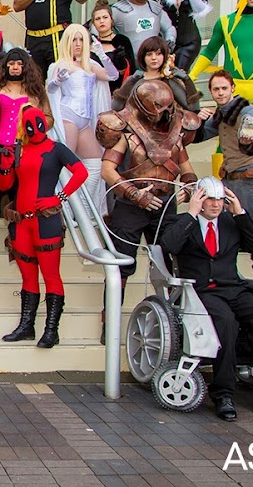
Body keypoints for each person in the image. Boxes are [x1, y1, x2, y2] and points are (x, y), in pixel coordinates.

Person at [158, 177, 253, 421]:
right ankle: (223, 393)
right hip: (203, 290)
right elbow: (169, 245)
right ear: (199, 198)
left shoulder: (230, 221)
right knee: (226, 323)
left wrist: (240, 212)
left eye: (219, 199)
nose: (215, 205)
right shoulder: (182, 221)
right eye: (209, 199)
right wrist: (192, 214)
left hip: (233, 286)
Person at [97, 79, 199, 340]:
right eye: (159, 108)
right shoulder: (126, 129)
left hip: (165, 205)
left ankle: (173, 324)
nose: (164, 114)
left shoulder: (176, 131)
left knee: (169, 265)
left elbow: (187, 171)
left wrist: (188, 186)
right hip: (131, 206)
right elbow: (108, 170)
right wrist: (133, 194)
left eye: (167, 108)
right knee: (121, 266)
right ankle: (110, 322)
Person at [1, 106, 88, 348]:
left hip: (45, 220)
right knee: (28, 277)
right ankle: (26, 326)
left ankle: (51, 331)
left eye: (37, 123)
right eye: (28, 124)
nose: (34, 128)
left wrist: (58, 197)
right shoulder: (19, 150)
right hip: (21, 222)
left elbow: (81, 172)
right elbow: (5, 183)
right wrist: (7, 164)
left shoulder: (56, 149)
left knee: (50, 276)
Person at [193, 70, 253, 297]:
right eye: (215, 89)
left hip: (250, 182)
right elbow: (200, 135)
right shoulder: (221, 114)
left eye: (224, 88)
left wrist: (249, 133)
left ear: (232, 88)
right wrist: (196, 117)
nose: (220, 92)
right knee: (227, 234)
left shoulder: (246, 110)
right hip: (230, 181)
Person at [0, 48, 53, 252]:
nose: (15, 67)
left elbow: (48, 118)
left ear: (26, 67)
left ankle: (20, 241)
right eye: (11, 64)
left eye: (19, 64)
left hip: (24, 151)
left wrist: (35, 127)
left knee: (22, 193)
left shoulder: (36, 91)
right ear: (5, 66)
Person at [46, 24, 116, 217]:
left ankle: (83, 210)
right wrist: (57, 81)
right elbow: (51, 90)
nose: (78, 44)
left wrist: (102, 53)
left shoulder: (89, 65)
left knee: (95, 164)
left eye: (81, 39)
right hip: (68, 117)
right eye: (74, 40)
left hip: (85, 121)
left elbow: (113, 75)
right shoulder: (60, 65)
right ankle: (66, 212)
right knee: (66, 166)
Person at [152, 0, 211, 72]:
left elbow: (202, 9)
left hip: (189, 40)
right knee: (165, 74)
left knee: (179, 72)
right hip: (167, 41)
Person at [112, 37, 201, 113]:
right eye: (149, 54)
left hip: (164, 130)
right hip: (136, 128)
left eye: (158, 54)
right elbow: (116, 107)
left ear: (164, 56)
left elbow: (193, 108)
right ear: (143, 57)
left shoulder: (169, 80)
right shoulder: (134, 80)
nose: (154, 58)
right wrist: (130, 82)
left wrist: (186, 79)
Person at [110, 0, 176, 61]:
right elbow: (97, 29)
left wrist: (170, 40)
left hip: (153, 64)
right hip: (129, 64)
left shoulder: (156, 9)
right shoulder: (118, 9)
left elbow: (169, 28)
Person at [88, 0, 136, 93]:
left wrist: (122, 64)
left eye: (105, 17)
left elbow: (131, 71)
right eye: (98, 19)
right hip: (93, 91)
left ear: (112, 20)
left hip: (116, 92)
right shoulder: (89, 43)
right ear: (93, 23)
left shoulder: (122, 41)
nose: (102, 21)